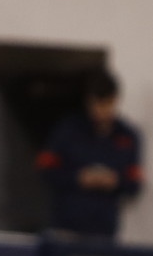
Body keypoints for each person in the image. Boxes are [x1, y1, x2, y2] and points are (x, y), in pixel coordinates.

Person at [37, 68, 143, 238]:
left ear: (115, 100)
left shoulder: (128, 137)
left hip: (103, 232)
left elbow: (134, 184)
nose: (101, 110)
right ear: (89, 101)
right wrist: (78, 178)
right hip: (66, 228)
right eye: (97, 103)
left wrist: (114, 182)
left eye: (107, 103)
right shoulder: (68, 130)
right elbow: (46, 169)